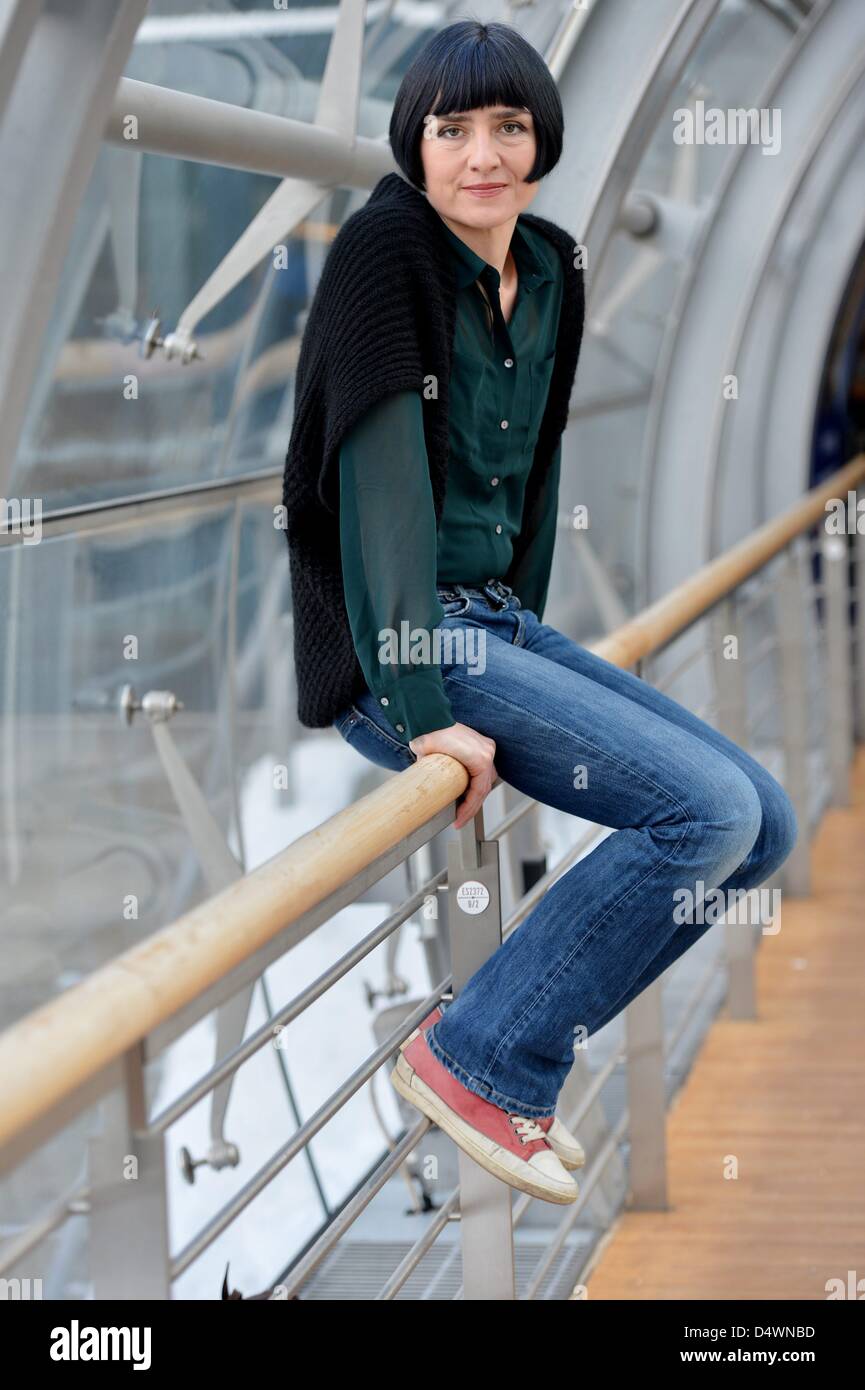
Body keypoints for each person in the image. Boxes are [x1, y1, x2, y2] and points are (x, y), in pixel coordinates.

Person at [281, 21, 798, 1205]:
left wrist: (529, 647)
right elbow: (380, 501)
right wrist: (422, 705)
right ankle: (477, 1057)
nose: (482, 154)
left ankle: (510, 1064)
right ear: (413, 142)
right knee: (702, 811)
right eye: (451, 129)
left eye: (507, 126)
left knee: (760, 823)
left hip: (493, 626)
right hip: (397, 644)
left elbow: (539, 470)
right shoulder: (385, 254)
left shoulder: (552, 265)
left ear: (541, 137)